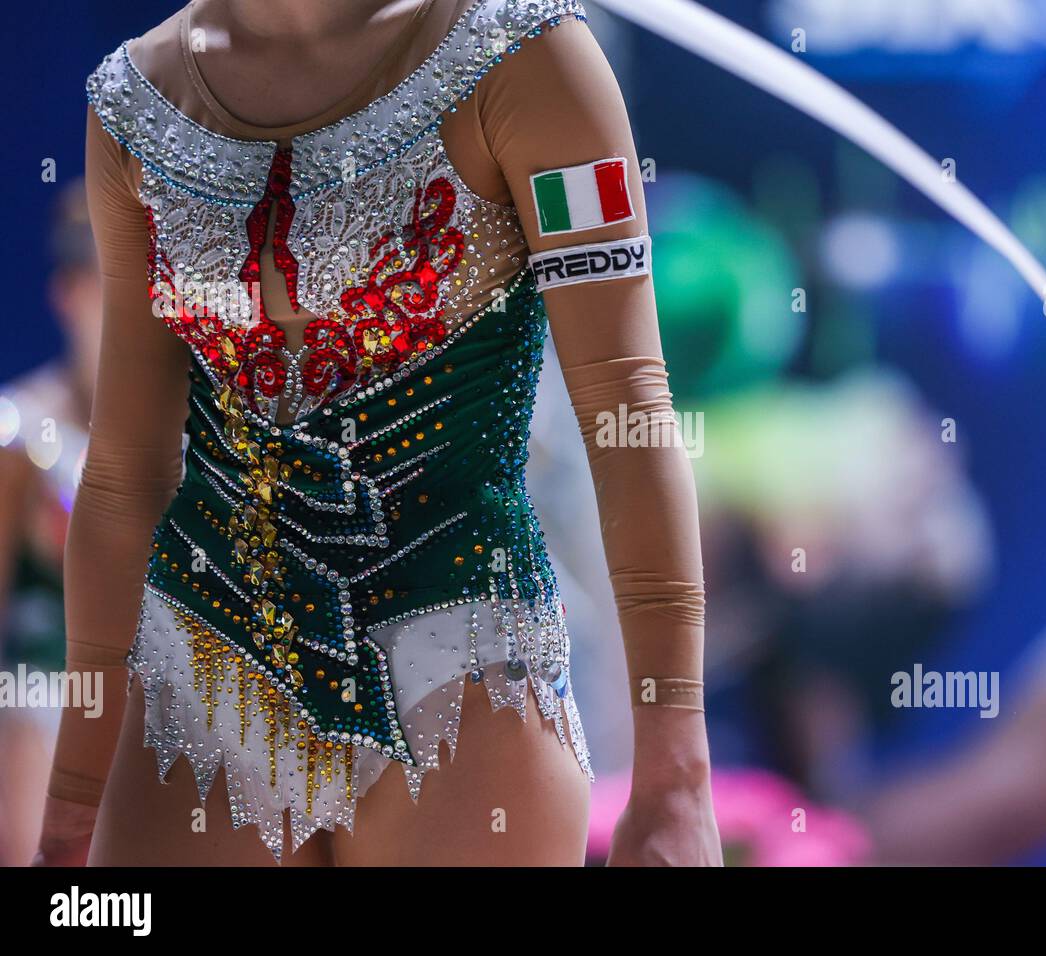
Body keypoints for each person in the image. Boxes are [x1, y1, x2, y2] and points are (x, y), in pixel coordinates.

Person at [36, 0, 720, 866]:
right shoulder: (136, 100)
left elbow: (628, 409)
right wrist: (66, 815)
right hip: (199, 675)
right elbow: (126, 475)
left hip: (461, 672)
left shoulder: (530, 59)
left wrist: (678, 779)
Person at [0, 182, 99, 866]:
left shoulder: (214, 439)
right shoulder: (17, 436)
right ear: (67, 293)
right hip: (45, 720)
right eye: (105, 287)